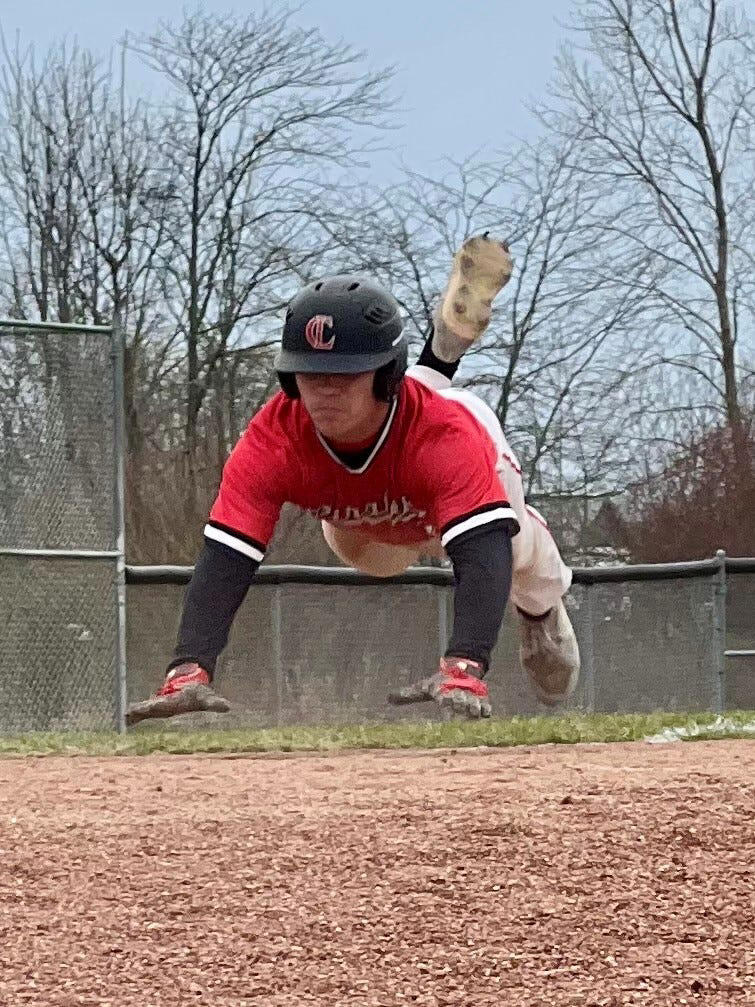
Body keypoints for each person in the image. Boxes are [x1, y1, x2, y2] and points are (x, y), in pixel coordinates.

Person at [126, 235, 579, 726]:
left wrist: (465, 665)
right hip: (372, 516)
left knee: (515, 548)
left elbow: (481, 554)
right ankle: (442, 350)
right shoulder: (273, 437)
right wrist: (189, 665)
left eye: (344, 375)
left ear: (385, 376)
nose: (323, 390)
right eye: (308, 372)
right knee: (370, 558)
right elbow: (226, 557)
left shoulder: (449, 435)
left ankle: (540, 616)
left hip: (458, 484)